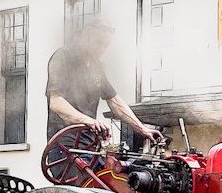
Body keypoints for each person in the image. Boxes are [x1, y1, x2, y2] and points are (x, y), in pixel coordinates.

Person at [45, 17, 162, 145]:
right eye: (98, 42)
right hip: (65, 145)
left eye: (106, 45)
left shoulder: (97, 67)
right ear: (85, 35)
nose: (102, 49)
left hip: (90, 144)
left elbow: (115, 101)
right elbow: (55, 102)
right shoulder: (63, 57)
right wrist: (88, 120)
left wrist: (142, 129)